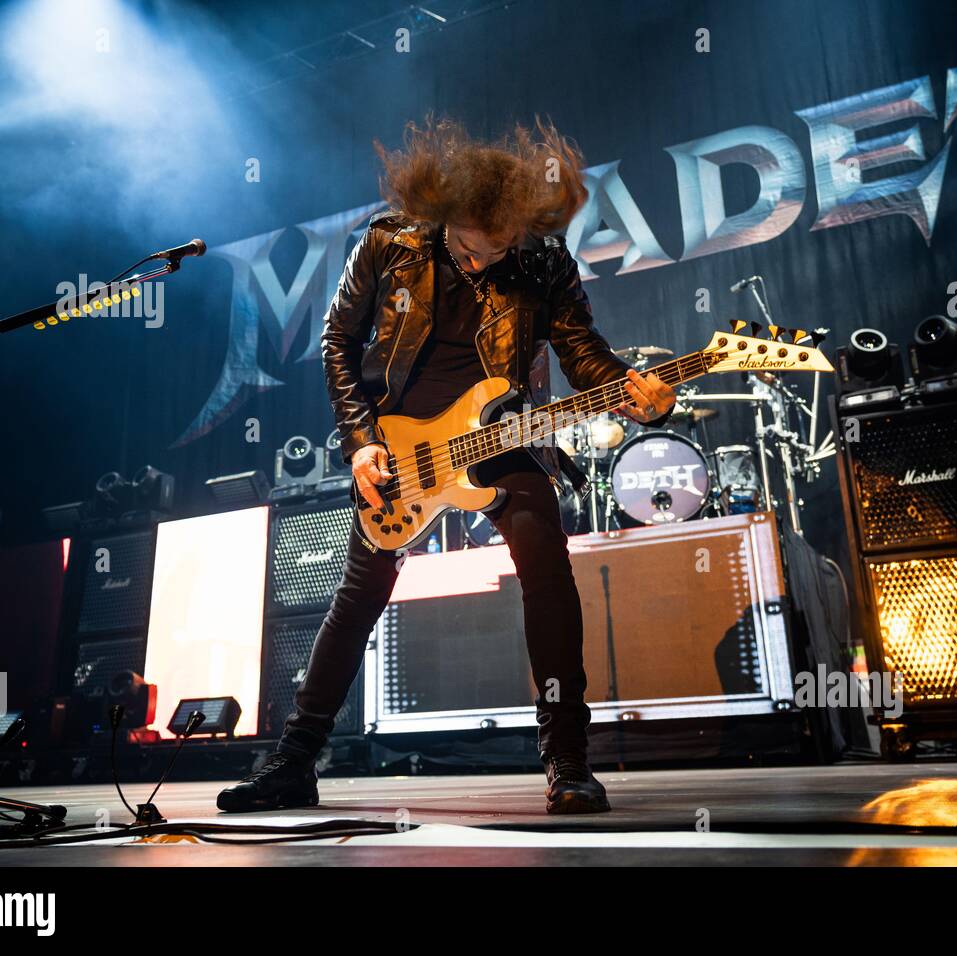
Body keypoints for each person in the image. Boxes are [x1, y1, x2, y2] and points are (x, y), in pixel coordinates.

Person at [217, 116, 675, 815]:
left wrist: (636, 390)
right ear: (442, 216)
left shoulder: (544, 259)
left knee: (548, 578)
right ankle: (292, 763)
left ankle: (569, 764)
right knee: (357, 599)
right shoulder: (389, 239)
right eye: (466, 245)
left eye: (496, 249)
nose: (479, 261)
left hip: (504, 434)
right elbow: (338, 339)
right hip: (402, 444)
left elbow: (582, 351)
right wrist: (361, 439)